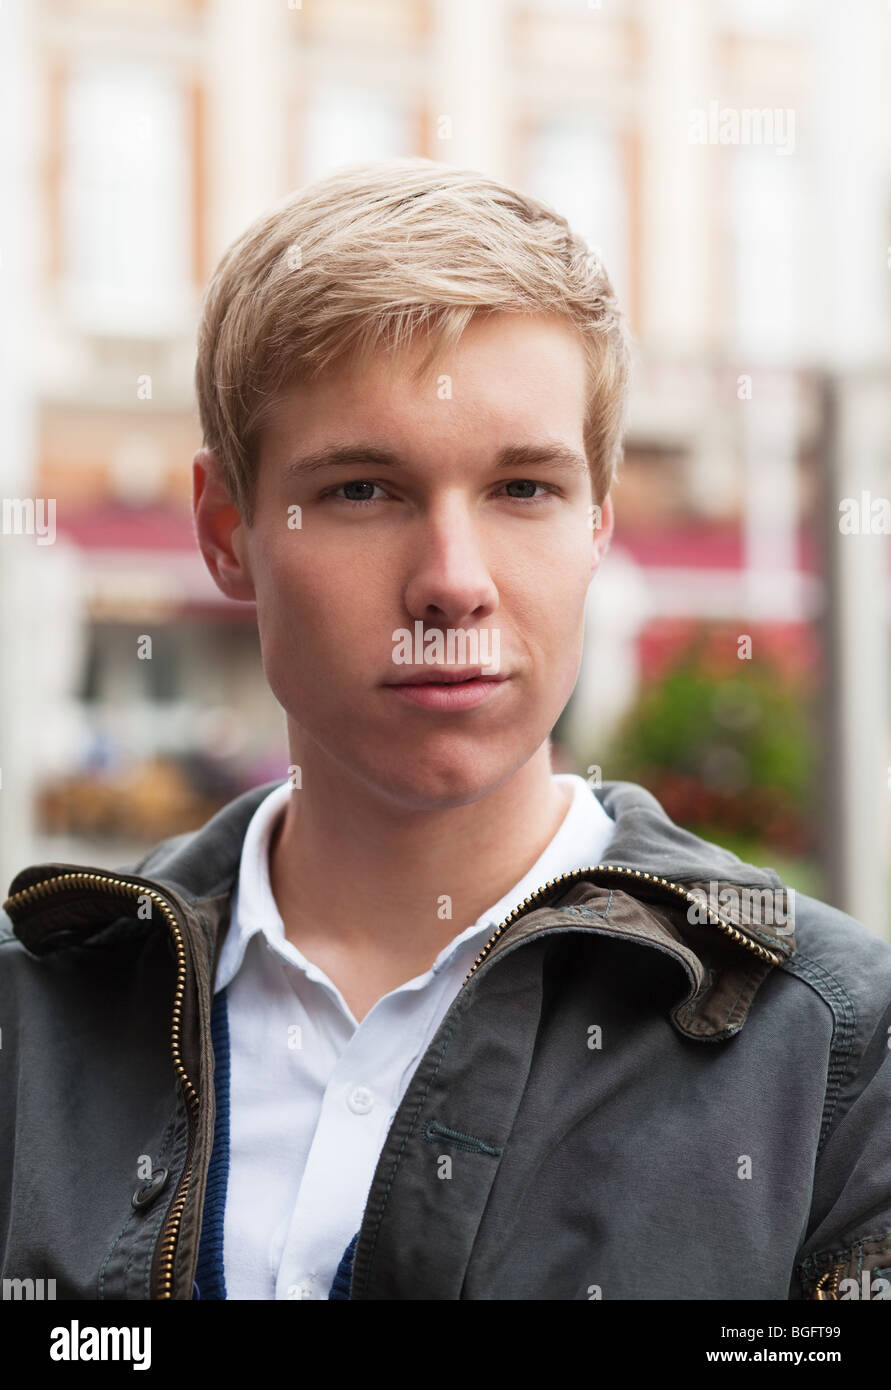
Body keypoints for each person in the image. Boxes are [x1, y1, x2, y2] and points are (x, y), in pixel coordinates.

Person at [2, 157, 890, 1303]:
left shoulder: (836, 1049)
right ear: (227, 527)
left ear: (599, 525)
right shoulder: (35, 1024)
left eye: (524, 489)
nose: (453, 582)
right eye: (364, 490)